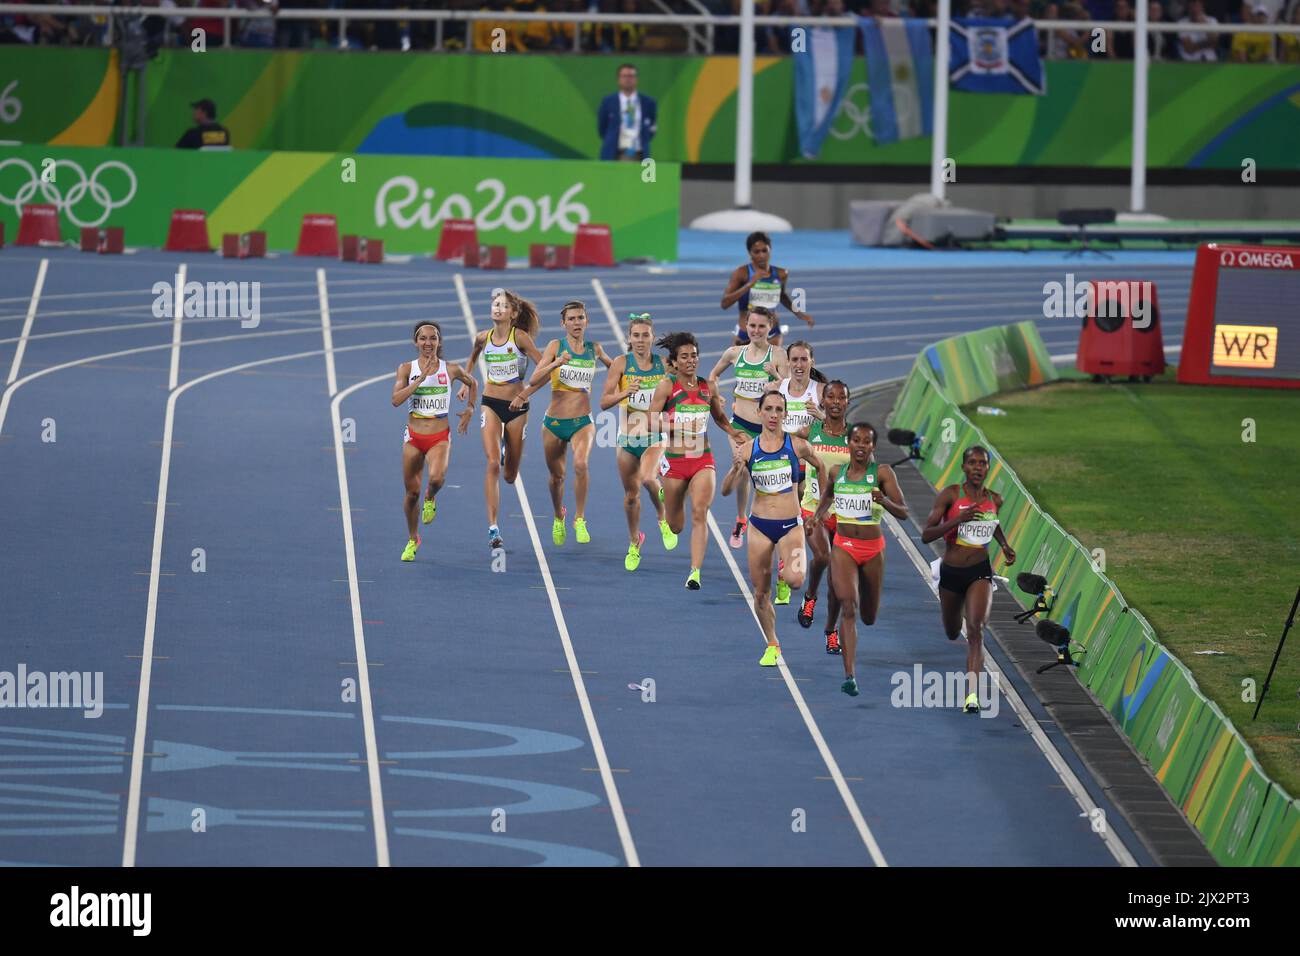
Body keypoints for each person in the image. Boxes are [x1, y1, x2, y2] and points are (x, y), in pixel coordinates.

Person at [722, 392, 827, 667]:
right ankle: (772, 643)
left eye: (778, 409)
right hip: (759, 526)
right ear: (759, 412)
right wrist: (735, 471)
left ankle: (784, 571)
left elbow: (821, 466)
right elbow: (724, 491)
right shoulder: (747, 449)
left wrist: (819, 508)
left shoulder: (797, 445)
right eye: (768, 409)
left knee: (795, 580)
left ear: (784, 415)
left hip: (791, 525)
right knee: (760, 593)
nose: (772, 414)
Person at [810, 422, 908, 697]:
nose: (861, 446)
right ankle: (849, 675)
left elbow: (904, 512)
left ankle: (855, 626)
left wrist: (884, 501)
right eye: (856, 440)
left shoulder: (883, 474)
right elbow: (827, 498)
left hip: (873, 549)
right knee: (848, 605)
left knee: (869, 616)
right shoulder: (836, 473)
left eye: (867, 441)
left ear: (873, 447)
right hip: (844, 547)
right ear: (848, 444)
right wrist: (816, 518)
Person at [647, 332, 749, 590]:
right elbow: (649, 419)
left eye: (694, 355)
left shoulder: (708, 387)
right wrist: (677, 423)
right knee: (676, 525)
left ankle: (695, 572)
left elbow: (719, 417)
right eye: (685, 357)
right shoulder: (667, 386)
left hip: (702, 459)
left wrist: (732, 431)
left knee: (700, 512)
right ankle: (662, 492)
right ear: (675, 361)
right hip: (675, 461)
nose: (691, 360)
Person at [919, 445, 1017, 714]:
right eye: (972, 462)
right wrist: (956, 520)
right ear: (963, 467)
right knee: (953, 631)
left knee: (976, 629)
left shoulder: (995, 499)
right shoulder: (951, 495)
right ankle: (955, 617)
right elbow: (927, 535)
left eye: (982, 463)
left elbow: (992, 523)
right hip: (951, 572)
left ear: (988, 468)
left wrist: (1005, 546)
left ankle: (971, 695)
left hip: (980, 572)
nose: (977, 467)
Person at [510, 300, 614, 545]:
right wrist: (556, 362)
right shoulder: (556, 346)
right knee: (557, 477)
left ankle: (580, 519)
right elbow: (536, 378)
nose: (576, 323)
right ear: (563, 323)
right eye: (572, 319)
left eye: (580, 318)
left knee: (581, 464)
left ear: (586, 321)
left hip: (583, 421)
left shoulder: (595, 349)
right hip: (554, 422)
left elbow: (619, 369)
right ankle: (559, 515)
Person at [460, 288, 545, 550]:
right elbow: (474, 354)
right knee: (493, 463)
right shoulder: (482, 337)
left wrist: (527, 392)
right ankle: (493, 528)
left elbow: (544, 369)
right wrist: (467, 379)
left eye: (503, 306)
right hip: (491, 403)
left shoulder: (520, 338)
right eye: (495, 304)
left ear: (513, 313)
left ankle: (509, 450)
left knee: (510, 475)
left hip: (518, 406)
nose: (498, 309)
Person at [391, 322, 478, 562]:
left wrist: (470, 408)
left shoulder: (450, 369)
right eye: (423, 339)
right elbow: (395, 400)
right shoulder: (406, 369)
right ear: (415, 342)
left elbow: (473, 383)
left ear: (439, 342)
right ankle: (412, 539)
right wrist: (419, 381)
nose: (428, 343)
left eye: (433, 338)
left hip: (439, 437)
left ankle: (431, 498)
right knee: (411, 493)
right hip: (413, 438)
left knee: (437, 478)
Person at [599, 312, 677, 571]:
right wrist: (625, 392)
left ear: (653, 338)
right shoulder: (621, 363)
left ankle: (663, 518)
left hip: (654, 436)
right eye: (636, 336)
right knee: (631, 496)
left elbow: (681, 392)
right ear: (629, 339)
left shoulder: (664, 364)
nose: (641, 340)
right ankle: (635, 542)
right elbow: (603, 402)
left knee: (648, 478)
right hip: (627, 439)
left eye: (645, 335)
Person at [707, 308, 790, 550]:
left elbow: (787, 389)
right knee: (741, 469)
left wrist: (774, 376)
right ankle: (741, 519)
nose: (756, 331)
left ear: (770, 327)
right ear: (745, 326)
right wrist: (716, 395)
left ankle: (764, 521)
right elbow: (713, 374)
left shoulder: (778, 355)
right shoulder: (734, 353)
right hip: (740, 425)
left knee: (764, 477)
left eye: (761, 326)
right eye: (752, 326)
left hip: (767, 429)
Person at [795, 380, 852, 654]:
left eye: (842, 398)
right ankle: (810, 596)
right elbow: (783, 445)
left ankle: (831, 631)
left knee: (839, 583)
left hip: (844, 514)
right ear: (823, 402)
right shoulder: (810, 432)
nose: (836, 402)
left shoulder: (856, 439)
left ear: (847, 403)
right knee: (822, 557)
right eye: (831, 397)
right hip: (813, 509)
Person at [773, 341, 826, 606]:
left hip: (811, 468)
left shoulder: (821, 392)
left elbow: (838, 430)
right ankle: (785, 571)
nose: (798, 365)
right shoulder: (777, 389)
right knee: (786, 522)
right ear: (788, 362)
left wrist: (822, 417)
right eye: (794, 359)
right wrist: (801, 432)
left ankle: (792, 570)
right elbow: (768, 426)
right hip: (782, 465)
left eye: (804, 359)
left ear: (812, 362)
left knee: (799, 523)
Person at [720, 231, 813, 348]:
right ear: (750, 253)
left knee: (772, 366)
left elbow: (782, 296)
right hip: (746, 334)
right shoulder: (742, 273)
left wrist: (800, 315)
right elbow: (724, 303)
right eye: (756, 252)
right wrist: (749, 284)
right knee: (745, 367)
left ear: (770, 250)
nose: (761, 255)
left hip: (772, 333)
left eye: (765, 250)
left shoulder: (781, 274)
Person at [598, 63, 658, 161]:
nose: (627, 79)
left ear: (636, 79)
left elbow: (651, 128)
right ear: (618, 79)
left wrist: (641, 140)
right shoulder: (608, 102)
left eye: (631, 76)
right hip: (614, 152)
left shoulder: (648, 103)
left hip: (639, 152)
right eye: (624, 76)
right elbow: (602, 128)